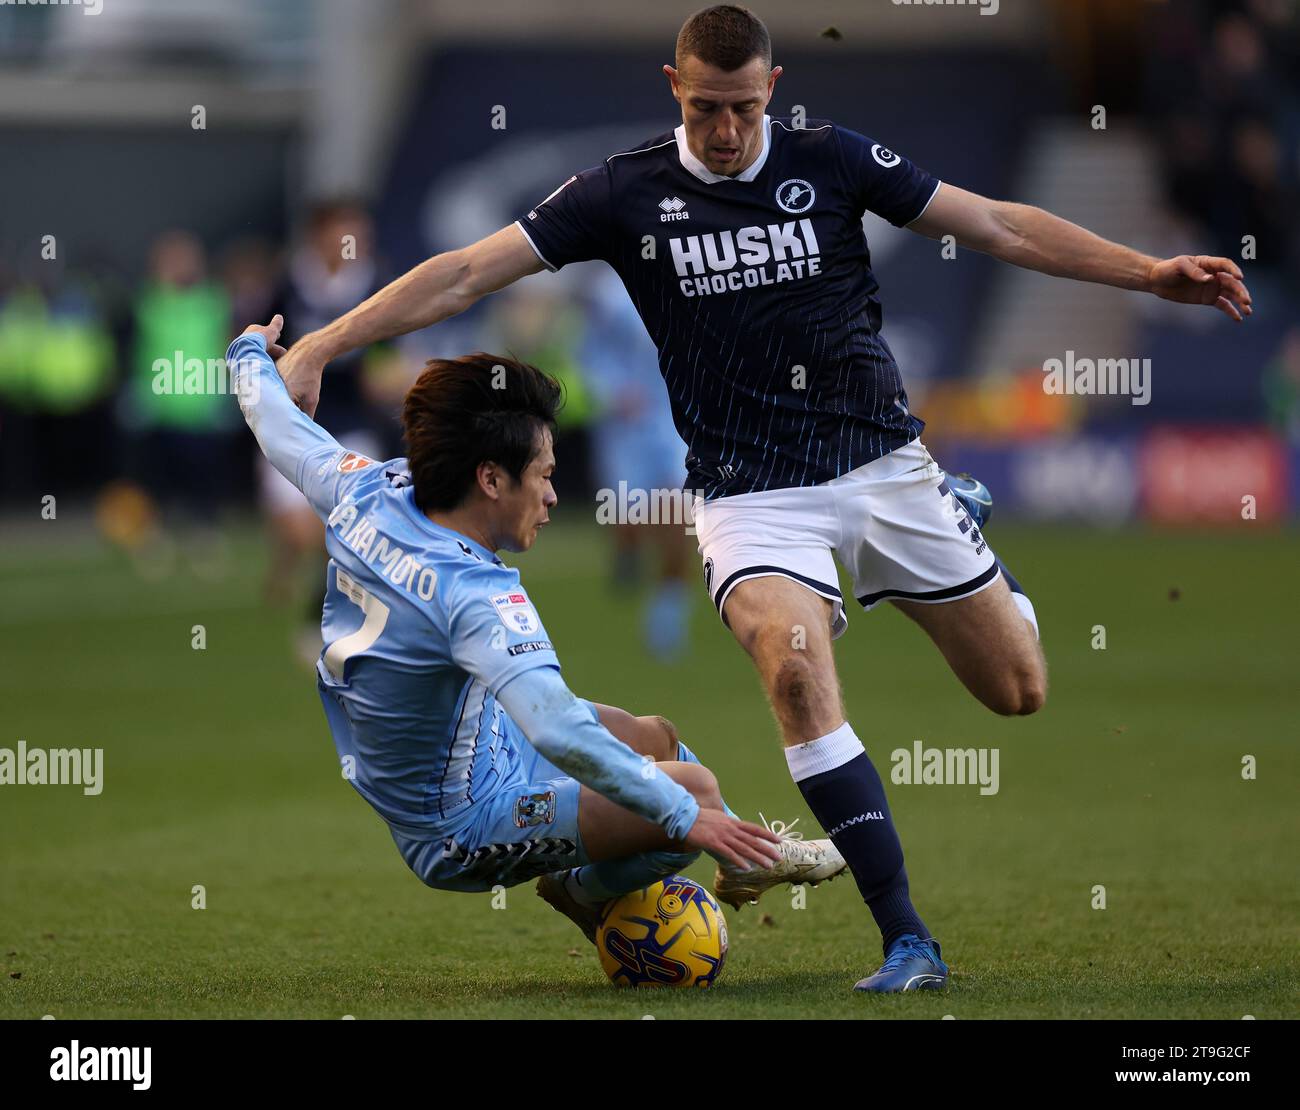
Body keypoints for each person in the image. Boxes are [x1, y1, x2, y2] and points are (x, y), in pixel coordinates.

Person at [269, 6, 1253, 991]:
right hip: (749, 493)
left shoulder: (832, 159)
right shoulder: (625, 190)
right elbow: (468, 271)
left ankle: (966, 528)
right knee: (792, 675)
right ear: (674, 87)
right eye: (705, 108)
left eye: (742, 107)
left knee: (1018, 690)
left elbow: (992, 222)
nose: (726, 129)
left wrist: (1146, 272)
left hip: (879, 465)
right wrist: (322, 343)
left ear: (772, 89)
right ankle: (906, 938)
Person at [227, 316, 846, 947]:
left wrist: (249, 348)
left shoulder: (367, 487)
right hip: (457, 823)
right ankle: (580, 889)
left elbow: (275, 422)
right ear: (491, 479)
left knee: (652, 736)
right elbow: (557, 730)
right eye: (545, 475)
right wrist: (687, 819)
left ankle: (745, 857)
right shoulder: (476, 596)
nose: (552, 495)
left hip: (469, 740)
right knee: (692, 793)